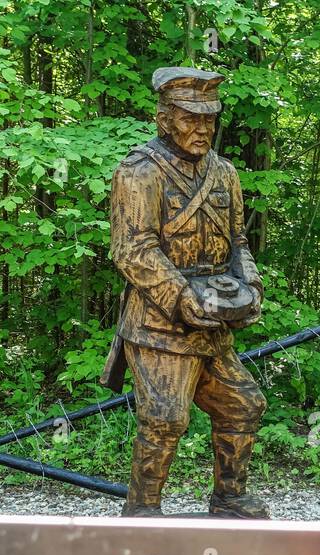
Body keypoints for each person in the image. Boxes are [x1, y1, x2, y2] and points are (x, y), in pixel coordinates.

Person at [107, 66, 269, 518]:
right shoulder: (138, 173)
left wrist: (250, 286)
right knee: (165, 419)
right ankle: (142, 512)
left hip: (213, 324)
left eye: (209, 121)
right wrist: (182, 298)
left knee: (243, 404)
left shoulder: (225, 173)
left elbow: (238, 243)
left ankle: (229, 499)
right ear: (164, 119)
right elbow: (132, 249)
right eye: (190, 119)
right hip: (158, 323)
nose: (202, 130)